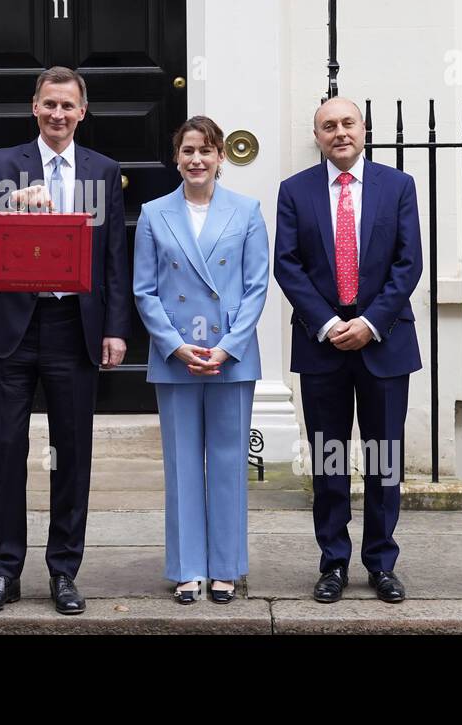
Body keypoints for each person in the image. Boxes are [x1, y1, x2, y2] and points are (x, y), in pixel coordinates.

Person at [0, 66, 130, 615]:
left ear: (82, 112)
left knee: (71, 453)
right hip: (11, 329)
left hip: (73, 327)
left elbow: (115, 256)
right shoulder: (3, 162)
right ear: (34, 107)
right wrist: (9, 200)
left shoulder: (103, 171)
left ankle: (64, 571)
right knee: (6, 450)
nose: (57, 114)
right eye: (49, 104)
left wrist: (116, 328)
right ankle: (5, 571)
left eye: (67, 106)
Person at [274, 96, 423, 604]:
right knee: (329, 460)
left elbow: (408, 262)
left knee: (384, 460)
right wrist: (328, 323)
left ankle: (381, 562)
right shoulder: (295, 191)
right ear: (317, 137)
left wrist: (370, 323)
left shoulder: (398, 186)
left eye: (347, 123)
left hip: (384, 342)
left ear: (363, 129)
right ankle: (333, 561)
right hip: (323, 345)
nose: (339, 132)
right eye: (328, 126)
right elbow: (287, 264)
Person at [133, 117, 268, 604]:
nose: (196, 159)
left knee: (229, 462)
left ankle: (226, 567)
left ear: (220, 157)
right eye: (188, 150)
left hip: (231, 355)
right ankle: (187, 567)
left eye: (206, 151)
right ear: (176, 157)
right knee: (182, 463)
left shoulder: (247, 211)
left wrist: (228, 346)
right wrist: (174, 344)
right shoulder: (153, 213)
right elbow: (144, 289)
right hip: (176, 356)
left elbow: (256, 286)